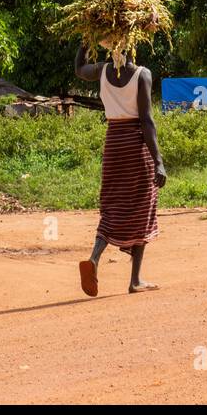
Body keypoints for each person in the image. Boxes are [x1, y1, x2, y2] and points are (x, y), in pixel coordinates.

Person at [74, 44, 165, 296]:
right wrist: (158, 160)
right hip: (135, 144)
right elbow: (146, 120)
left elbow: (80, 69)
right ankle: (135, 279)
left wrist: (85, 41)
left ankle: (94, 257)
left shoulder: (102, 71)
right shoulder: (141, 74)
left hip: (113, 143)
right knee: (142, 205)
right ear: (133, 47)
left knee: (113, 204)